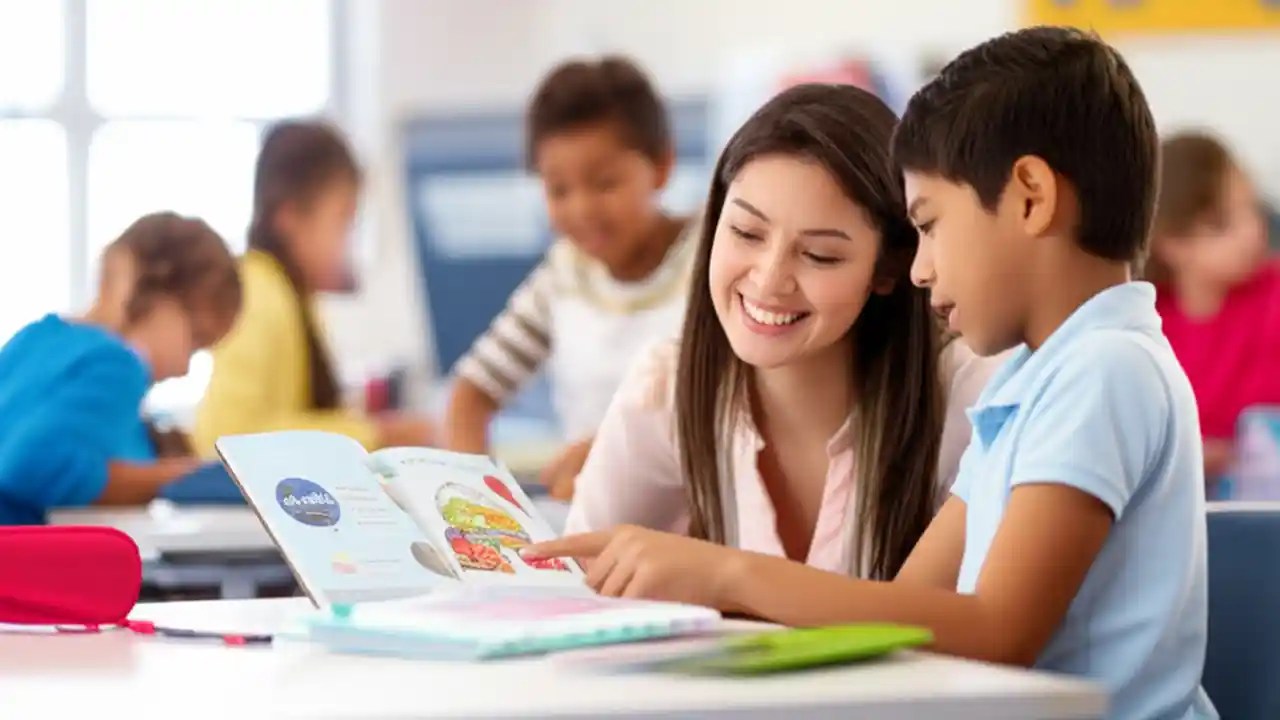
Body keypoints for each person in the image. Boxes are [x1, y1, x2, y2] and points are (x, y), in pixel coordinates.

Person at [529, 27, 1216, 720]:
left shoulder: (1104, 370)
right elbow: (906, 610)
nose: (920, 269)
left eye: (930, 225)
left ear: (1031, 197)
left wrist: (727, 574)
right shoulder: (1034, 379)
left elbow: (997, 632)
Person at [552, 81, 998, 580]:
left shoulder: (969, 399)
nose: (768, 280)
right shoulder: (666, 388)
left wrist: (726, 575)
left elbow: (961, 622)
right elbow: (575, 576)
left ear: (888, 268)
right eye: (745, 232)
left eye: (819, 255)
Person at [443, 57, 698, 500]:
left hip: (691, 521)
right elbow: (473, 391)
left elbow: (741, 411)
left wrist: (618, 453)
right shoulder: (564, 274)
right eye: (558, 190)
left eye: (603, 184)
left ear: (661, 166)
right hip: (591, 517)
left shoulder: (714, 260)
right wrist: (475, 494)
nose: (581, 210)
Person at [194, 121, 434, 454]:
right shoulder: (258, 295)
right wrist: (376, 433)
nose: (347, 242)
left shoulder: (289, 294)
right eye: (343, 221)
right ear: (289, 217)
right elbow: (230, 434)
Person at [0, 212, 241, 524]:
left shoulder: (36, 337)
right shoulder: (118, 364)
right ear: (154, 296)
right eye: (194, 340)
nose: (183, 368)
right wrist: (172, 476)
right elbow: (33, 466)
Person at [1148, 131, 1280, 481]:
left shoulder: (1274, 293)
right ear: (1171, 243)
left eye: (1253, 207)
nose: (1253, 231)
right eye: (1223, 224)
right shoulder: (1148, 325)